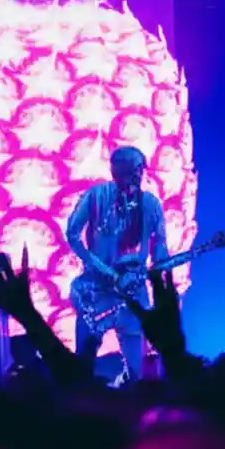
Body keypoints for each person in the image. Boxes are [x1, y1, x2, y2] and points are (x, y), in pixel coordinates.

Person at [65, 146, 168, 382]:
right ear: (115, 172)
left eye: (139, 170)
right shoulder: (95, 196)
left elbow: (160, 244)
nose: (136, 176)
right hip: (96, 290)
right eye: (130, 171)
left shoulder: (151, 204)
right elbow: (72, 234)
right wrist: (101, 268)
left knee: (137, 368)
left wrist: (158, 272)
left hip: (134, 291)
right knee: (83, 363)